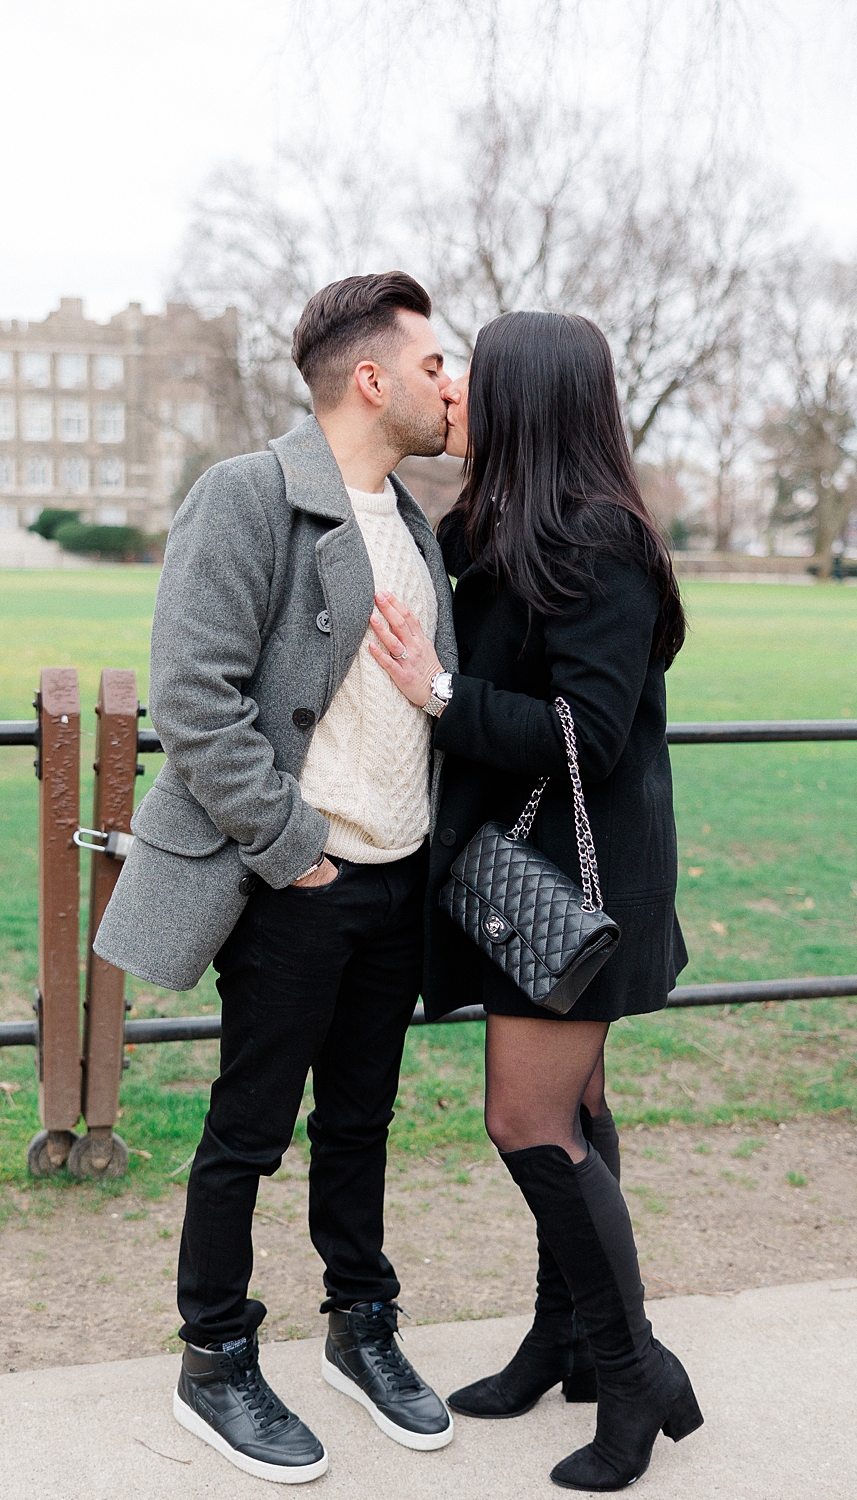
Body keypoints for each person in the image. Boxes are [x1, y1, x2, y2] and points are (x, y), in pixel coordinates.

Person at [94, 272, 459, 1483]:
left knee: (359, 1126)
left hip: (396, 881)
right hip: (293, 882)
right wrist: (290, 847)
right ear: (371, 378)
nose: (448, 386)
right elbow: (193, 701)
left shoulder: (414, 528)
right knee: (246, 1133)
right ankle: (215, 1358)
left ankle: (361, 1331)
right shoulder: (248, 496)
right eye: (431, 366)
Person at [367, 309, 704, 1492]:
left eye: (471, 373)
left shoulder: (598, 540)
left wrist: (439, 694)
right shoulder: (508, 523)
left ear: (528, 399)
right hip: (543, 874)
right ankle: (563, 1339)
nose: (451, 386)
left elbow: (587, 735)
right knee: (578, 1115)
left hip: (571, 885)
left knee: (529, 1123)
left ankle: (634, 1378)